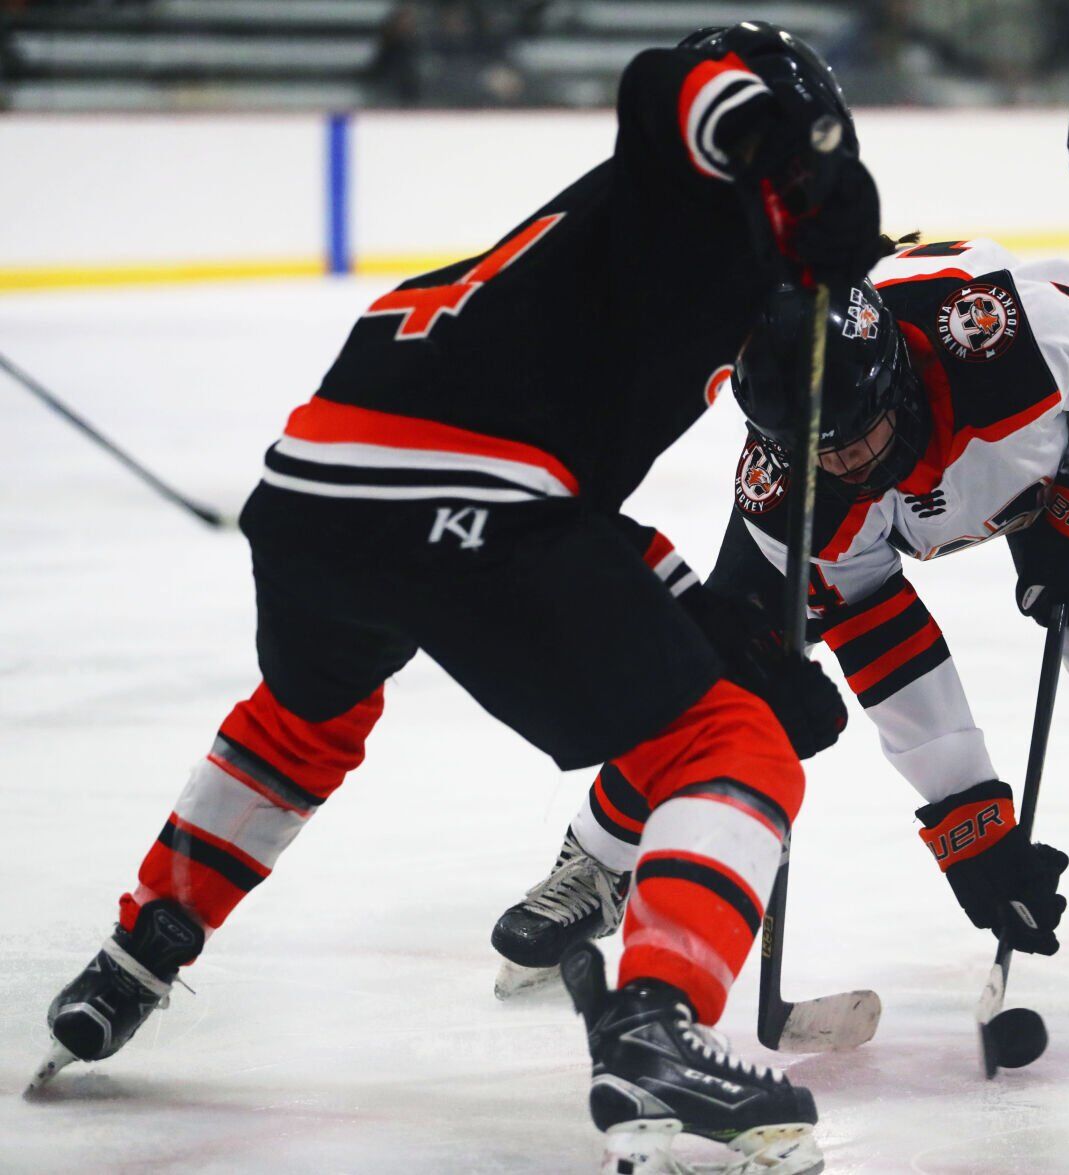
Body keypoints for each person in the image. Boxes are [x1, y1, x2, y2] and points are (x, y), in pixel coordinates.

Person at [34, 22, 876, 1175]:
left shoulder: (591, 251)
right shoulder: (698, 193)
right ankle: (658, 1025)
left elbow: (568, 517)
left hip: (314, 487)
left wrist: (715, 624)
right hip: (465, 498)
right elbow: (665, 85)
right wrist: (784, 147)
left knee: (307, 715)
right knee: (735, 748)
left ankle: (136, 954)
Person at [489, 236, 1069, 1032]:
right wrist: (970, 826)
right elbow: (884, 640)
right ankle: (599, 860)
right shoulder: (795, 491)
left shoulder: (1004, 336)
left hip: (1049, 469)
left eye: (859, 436)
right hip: (863, 522)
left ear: (894, 378)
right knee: (721, 683)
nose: (850, 463)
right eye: (821, 451)